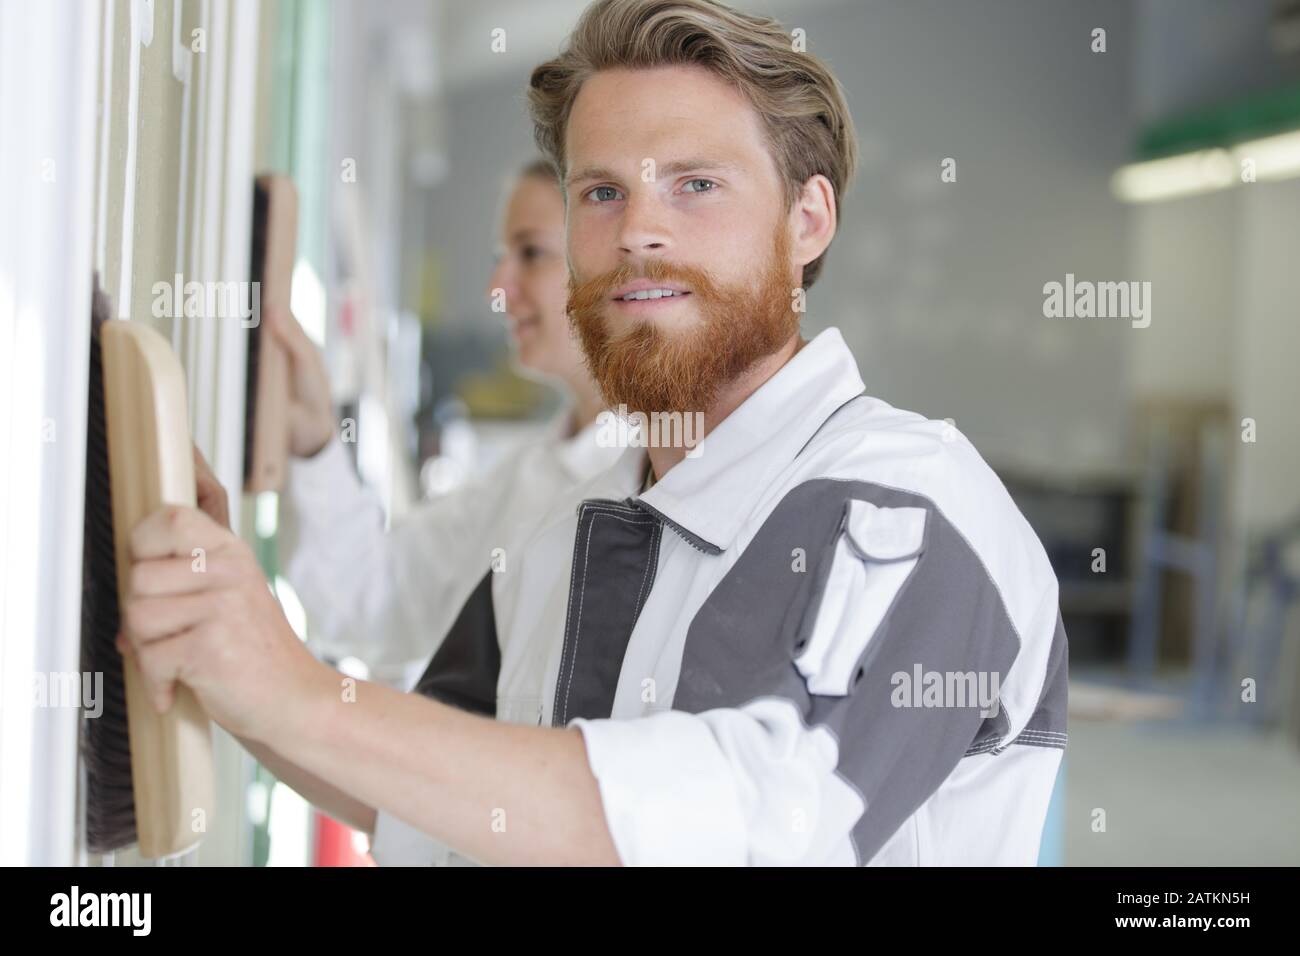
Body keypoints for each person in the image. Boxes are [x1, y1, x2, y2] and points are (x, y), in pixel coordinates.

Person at [122, 0, 1067, 866]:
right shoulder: (565, 530)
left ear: (807, 222)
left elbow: (749, 823)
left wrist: (288, 688)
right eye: (601, 192)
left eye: (696, 184)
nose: (637, 234)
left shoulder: (912, 509)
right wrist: (225, 657)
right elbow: (428, 787)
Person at [269, 160, 620, 680]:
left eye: (531, 253)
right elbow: (370, 595)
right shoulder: (527, 476)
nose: (497, 288)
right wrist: (315, 440)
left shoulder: (656, 480)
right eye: (502, 258)